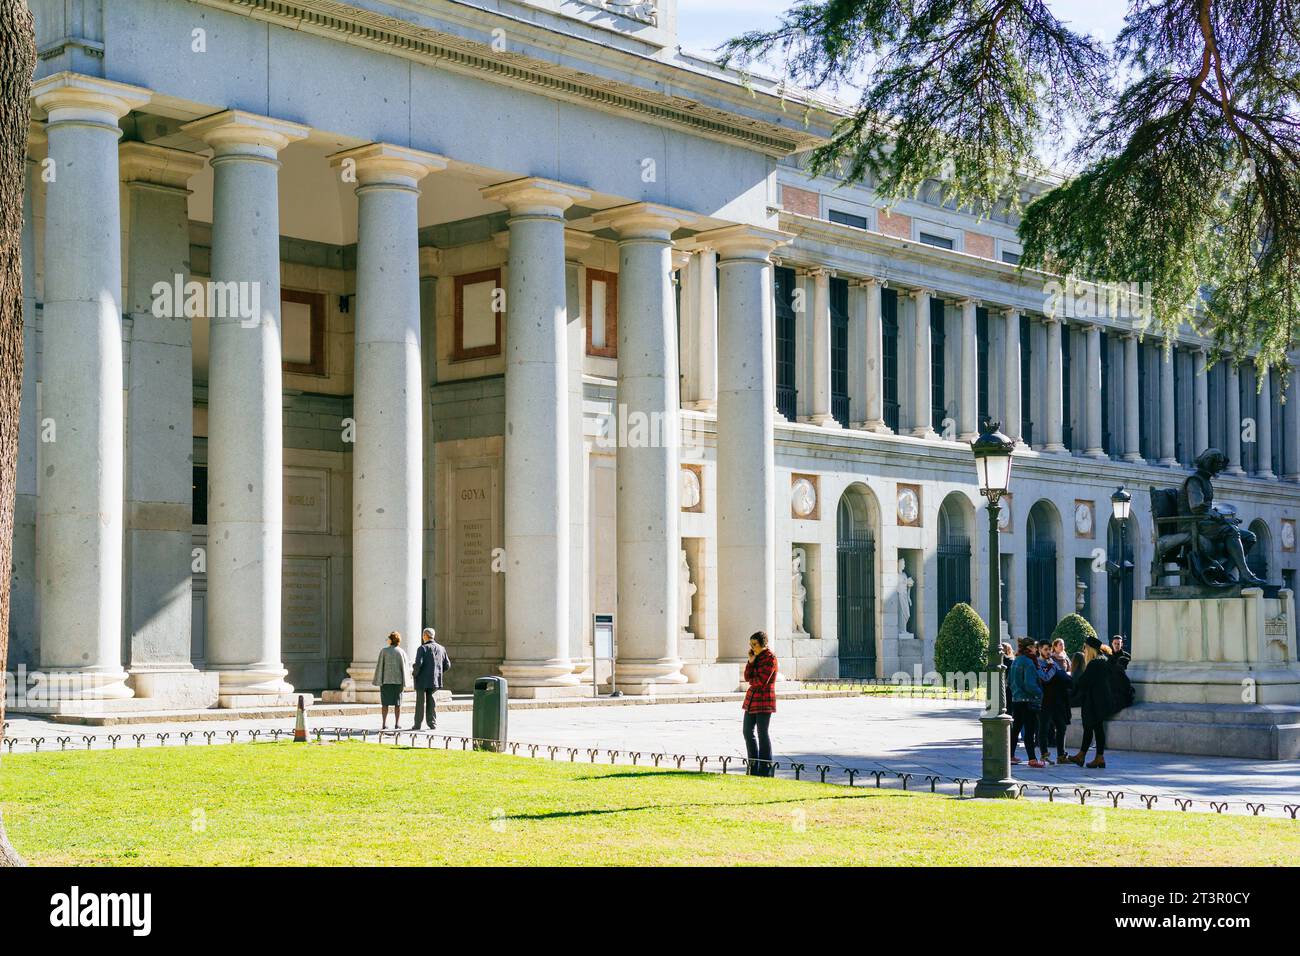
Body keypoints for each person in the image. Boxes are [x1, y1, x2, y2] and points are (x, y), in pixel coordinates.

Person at [1068, 635, 1115, 768]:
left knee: (1090, 728)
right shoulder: (1104, 660)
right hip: (1101, 700)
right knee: (1095, 728)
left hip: (1093, 702)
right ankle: (1092, 756)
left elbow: (1084, 682)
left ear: (1090, 649)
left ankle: (1088, 756)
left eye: (1085, 648)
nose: (1084, 651)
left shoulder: (1095, 663)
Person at [742, 631, 778, 776]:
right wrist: (750, 662)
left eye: (755, 644)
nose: (752, 647)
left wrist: (752, 679)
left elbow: (761, 680)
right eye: (751, 644)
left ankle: (765, 768)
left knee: (762, 733)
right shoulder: (755, 657)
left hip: (764, 700)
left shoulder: (770, 658)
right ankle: (753, 765)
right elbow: (747, 677)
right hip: (752, 699)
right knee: (747, 731)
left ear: (763, 644)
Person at [1008, 638, 1044, 768]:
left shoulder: (1016, 660)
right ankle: (1032, 759)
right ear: (1029, 648)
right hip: (1028, 700)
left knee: (1016, 729)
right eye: (1035, 647)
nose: (1036, 650)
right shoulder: (1029, 662)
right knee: (1030, 730)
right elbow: (1030, 684)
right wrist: (1040, 693)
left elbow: (1009, 681)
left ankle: (1010, 755)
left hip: (1017, 699)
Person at [1036, 639, 1073, 764]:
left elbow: (1061, 674)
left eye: (1050, 650)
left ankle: (1061, 755)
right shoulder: (1038, 663)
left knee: (1061, 726)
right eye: (1046, 649)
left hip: (1057, 699)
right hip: (1044, 700)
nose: (1048, 652)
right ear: (1040, 649)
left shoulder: (1052, 662)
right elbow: (1045, 678)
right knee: (1044, 728)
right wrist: (1052, 668)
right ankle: (1044, 753)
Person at [411, 627, 452, 731]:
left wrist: (414, 674)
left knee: (420, 703)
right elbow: (447, 664)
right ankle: (432, 723)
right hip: (435, 679)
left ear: (425, 636)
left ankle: (417, 724)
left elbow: (418, 664)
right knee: (432, 702)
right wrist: (438, 673)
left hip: (422, 679)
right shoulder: (441, 648)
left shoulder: (422, 648)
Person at [373, 631, 411, 730]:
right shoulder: (401, 652)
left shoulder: (384, 651)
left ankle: (384, 724)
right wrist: (406, 681)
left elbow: (380, 666)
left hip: (386, 681)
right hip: (398, 682)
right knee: (398, 704)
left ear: (391, 640)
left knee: (385, 704)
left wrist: (378, 680)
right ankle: (397, 724)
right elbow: (405, 668)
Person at [1107, 635, 1135, 713]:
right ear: (1112, 644)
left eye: (1118, 644)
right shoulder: (1108, 656)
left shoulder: (1127, 656)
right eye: (1115, 643)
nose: (1116, 645)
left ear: (1121, 644)